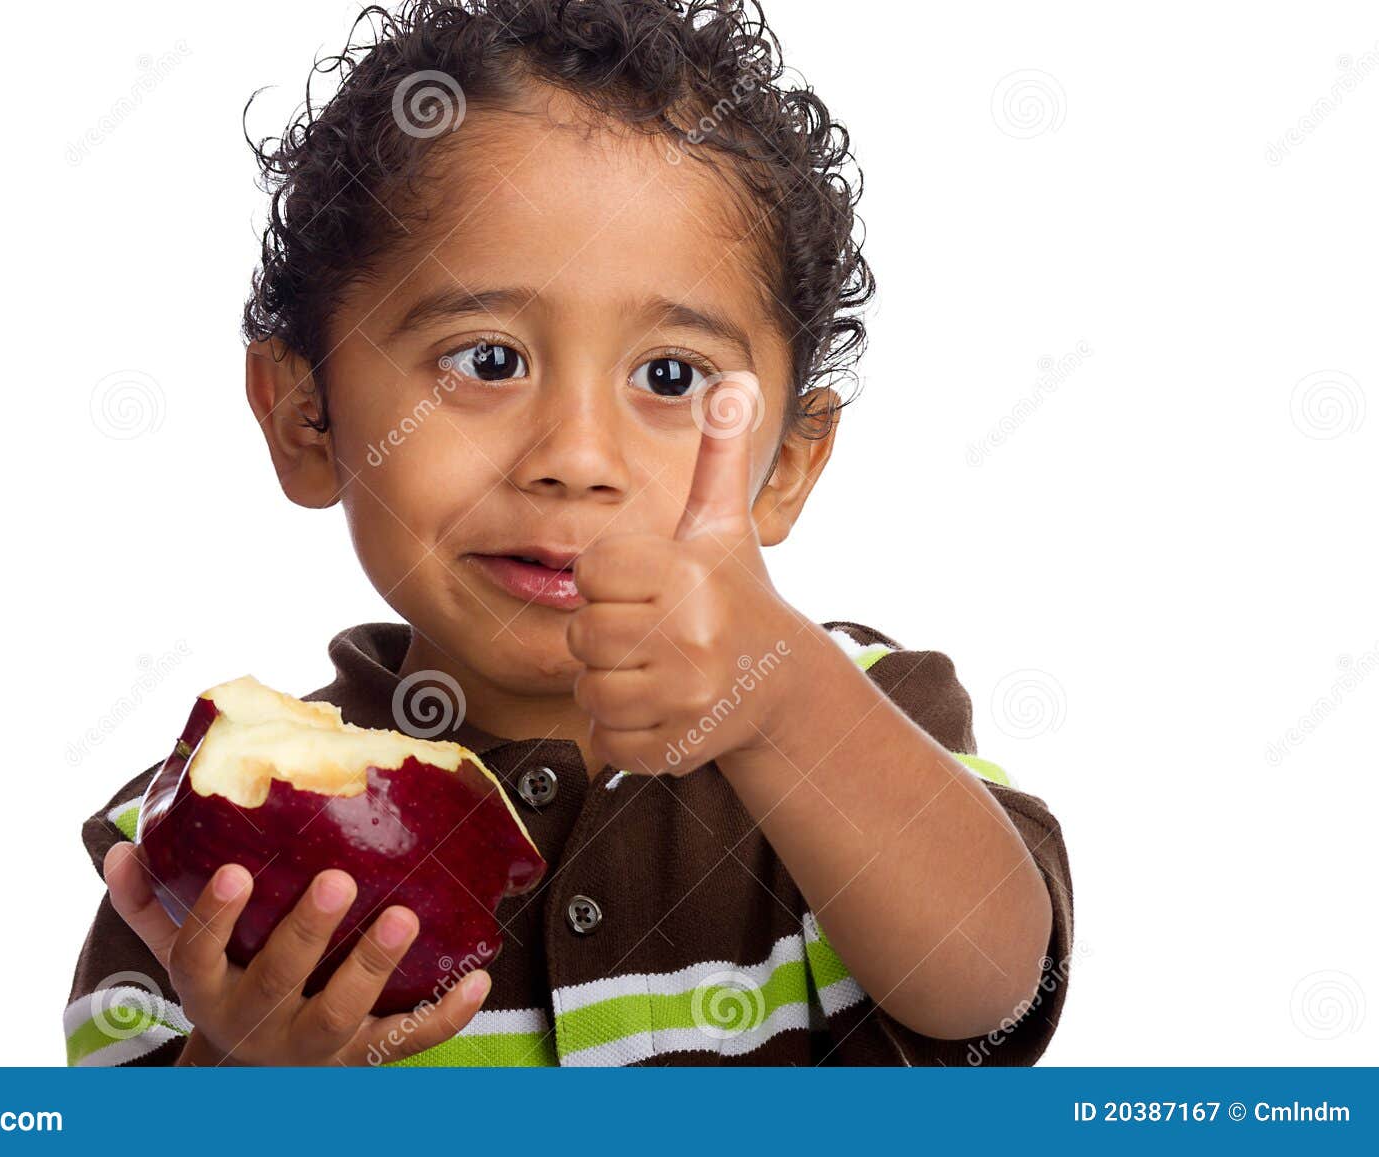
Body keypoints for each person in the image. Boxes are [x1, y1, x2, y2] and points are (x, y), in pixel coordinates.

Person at [64, 0, 1073, 1067]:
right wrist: (250, 1067)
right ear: (306, 417)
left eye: (669, 377)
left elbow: (989, 989)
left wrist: (784, 705)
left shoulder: (851, 718)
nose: (575, 455)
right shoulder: (196, 831)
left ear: (787, 461)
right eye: (487, 360)